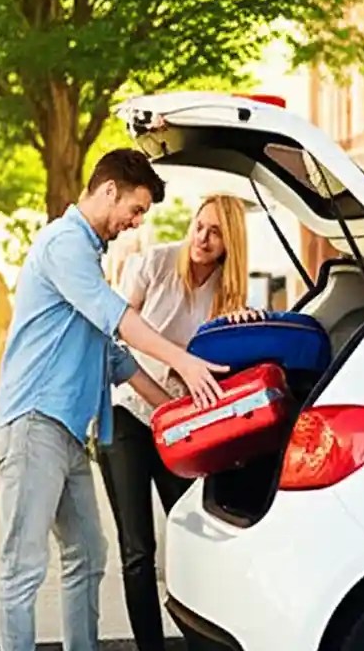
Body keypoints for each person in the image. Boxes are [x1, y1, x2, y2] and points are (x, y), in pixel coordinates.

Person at [0, 149, 227, 651]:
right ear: (109, 191)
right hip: (34, 421)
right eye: (135, 210)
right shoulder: (64, 244)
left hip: (71, 431)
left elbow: (114, 358)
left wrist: (173, 414)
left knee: (87, 556)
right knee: (23, 567)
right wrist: (183, 362)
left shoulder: (88, 255)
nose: (135, 223)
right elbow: (117, 318)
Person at [101, 194, 254, 651]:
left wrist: (240, 329)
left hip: (180, 429)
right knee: (137, 551)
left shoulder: (230, 296)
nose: (202, 239)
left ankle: (204, 640)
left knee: (196, 539)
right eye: (198, 226)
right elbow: (117, 331)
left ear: (231, 244)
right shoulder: (153, 264)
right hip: (126, 412)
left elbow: (227, 370)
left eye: (215, 232)